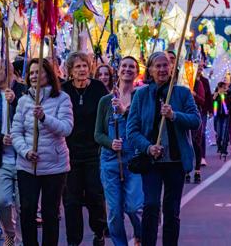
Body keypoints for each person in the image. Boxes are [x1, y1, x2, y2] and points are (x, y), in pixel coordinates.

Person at [126, 51, 200, 246]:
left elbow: (195, 121)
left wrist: (175, 115)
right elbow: (132, 131)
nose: (162, 69)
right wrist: (148, 147)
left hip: (175, 162)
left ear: (171, 68)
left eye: (165, 65)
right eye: (157, 66)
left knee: (171, 210)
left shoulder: (182, 93)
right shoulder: (140, 95)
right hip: (151, 161)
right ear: (149, 70)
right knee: (150, 205)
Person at [10, 58, 73, 246]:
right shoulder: (22, 101)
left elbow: (66, 128)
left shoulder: (62, 98)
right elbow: (16, 132)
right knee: (27, 209)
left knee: (50, 212)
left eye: (39, 71)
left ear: (49, 73)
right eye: (32, 72)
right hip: (28, 165)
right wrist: (25, 151)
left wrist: (45, 118)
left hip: (54, 165)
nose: (35, 75)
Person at [61, 52, 108, 246]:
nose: (82, 70)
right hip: (69, 153)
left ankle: (99, 231)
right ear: (70, 71)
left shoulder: (98, 88)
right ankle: (74, 241)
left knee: (95, 196)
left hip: (93, 152)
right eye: (77, 66)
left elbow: (107, 115)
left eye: (85, 66)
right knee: (71, 200)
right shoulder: (63, 90)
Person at [94, 56, 143, 246]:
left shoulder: (140, 97)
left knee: (133, 207)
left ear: (137, 71)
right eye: (124, 65)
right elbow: (98, 134)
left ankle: (140, 235)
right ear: (118, 70)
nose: (127, 69)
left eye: (132, 66)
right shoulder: (106, 101)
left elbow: (144, 127)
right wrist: (109, 142)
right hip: (110, 161)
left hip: (133, 159)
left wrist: (125, 112)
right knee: (114, 213)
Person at [0, 59, 27, 246]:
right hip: (1, 158)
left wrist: (16, 102)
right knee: (1, 201)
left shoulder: (23, 91)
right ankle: (9, 233)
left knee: (22, 206)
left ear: (5, 71)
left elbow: (32, 119)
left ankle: (19, 241)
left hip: (22, 158)